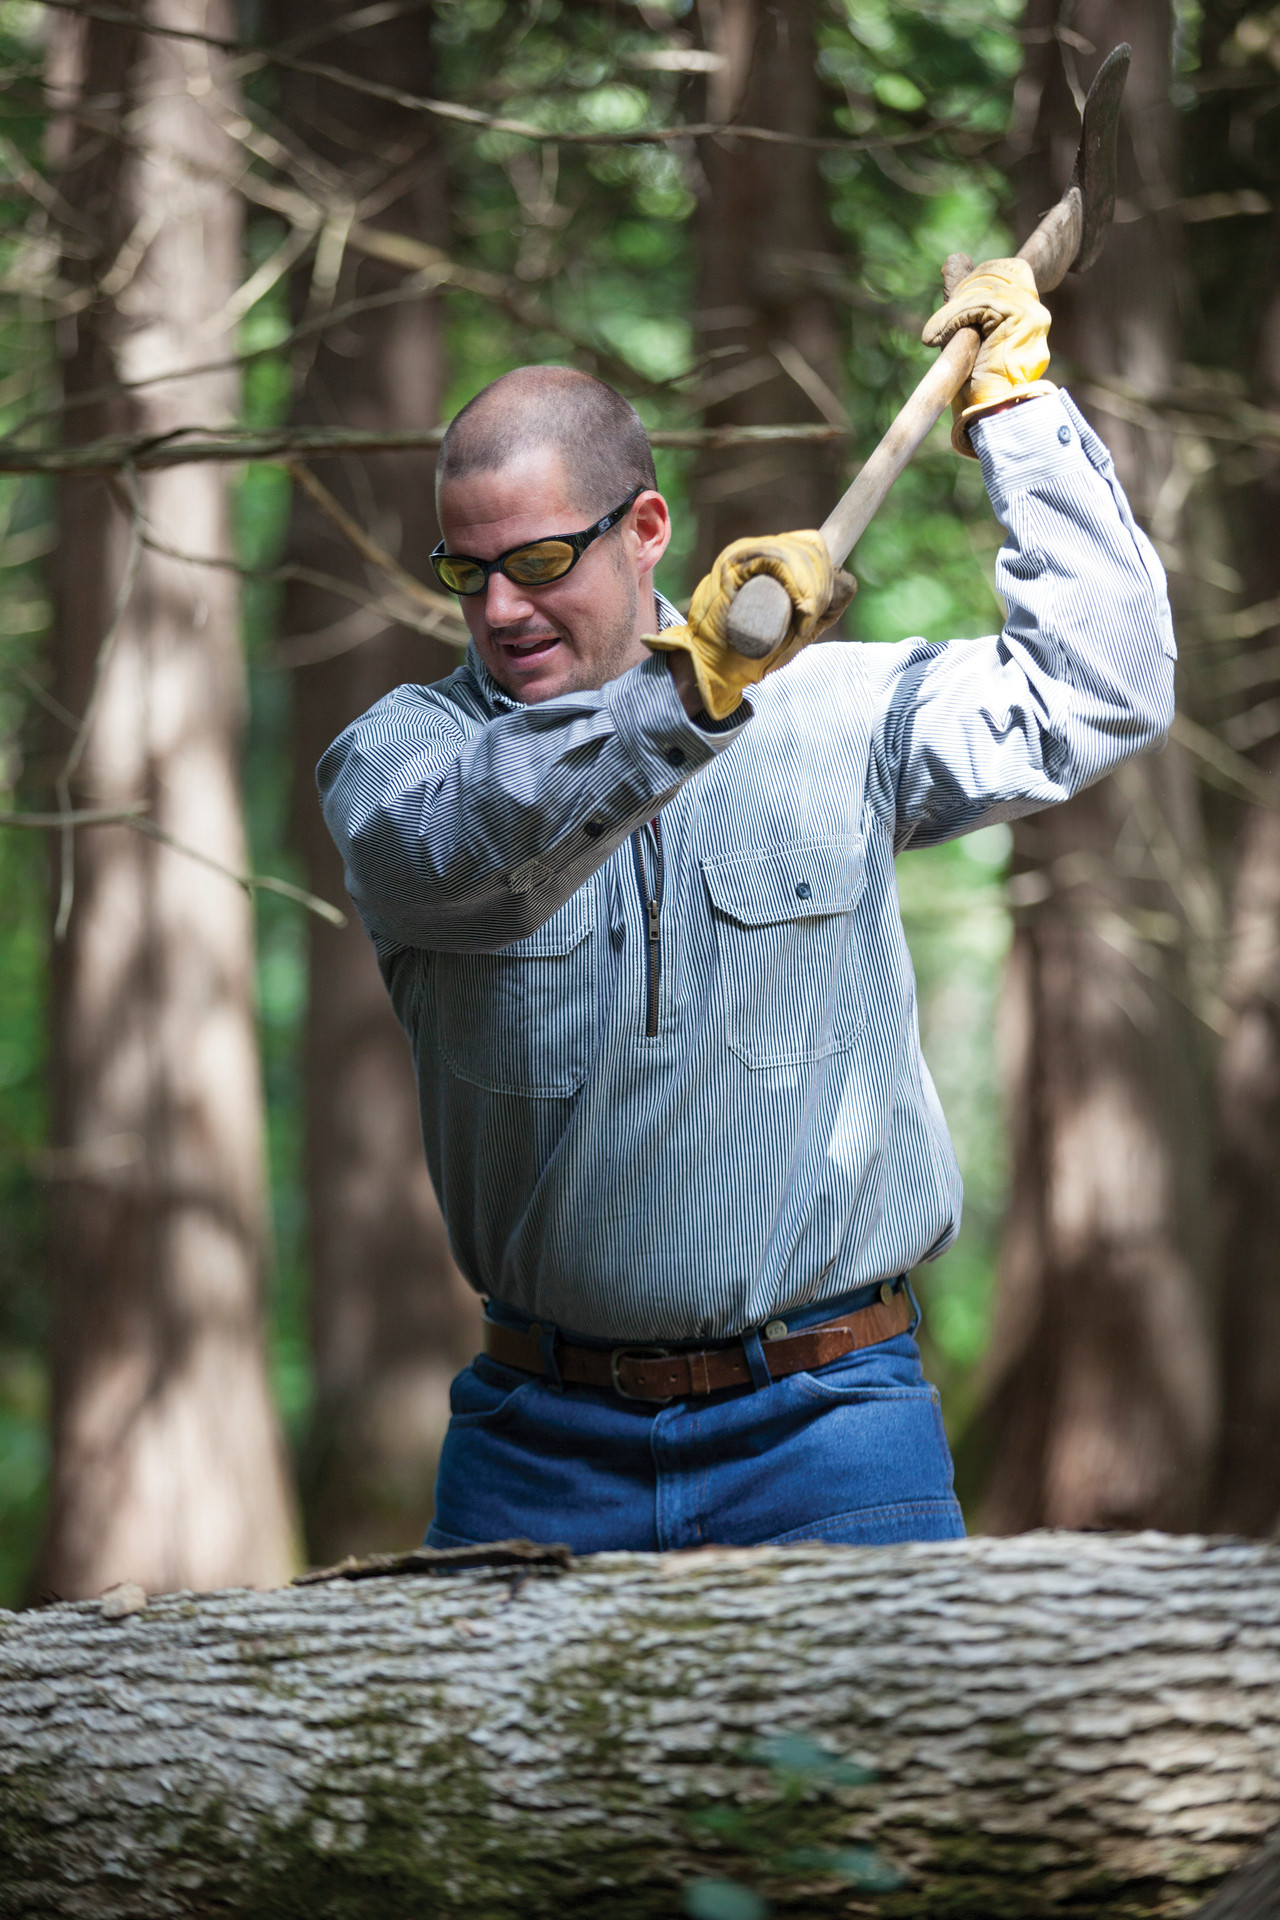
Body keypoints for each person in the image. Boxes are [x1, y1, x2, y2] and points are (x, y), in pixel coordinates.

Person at [318, 260, 1175, 1553]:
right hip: (538, 1453)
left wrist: (1019, 417)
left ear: (647, 527)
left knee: (897, 1769)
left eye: (542, 560)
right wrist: (688, 690)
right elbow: (466, 843)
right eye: (469, 571)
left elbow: (1101, 684)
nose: (502, 608)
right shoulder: (407, 762)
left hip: (833, 1431)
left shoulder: (831, 713)